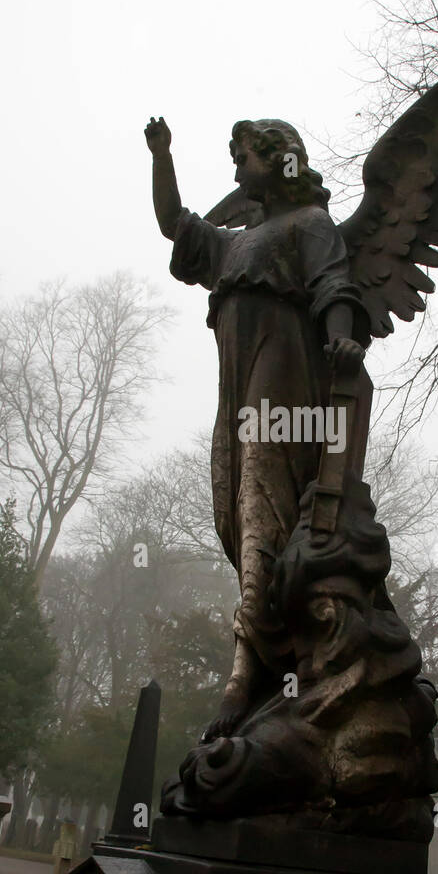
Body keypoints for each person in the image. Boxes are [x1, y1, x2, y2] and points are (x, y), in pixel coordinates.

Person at [145, 115, 372, 738]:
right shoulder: (234, 244)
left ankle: (243, 675)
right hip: (237, 386)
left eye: (244, 156)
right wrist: (162, 156)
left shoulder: (311, 224)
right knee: (235, 508)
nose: (237, 168)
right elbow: (173, 222)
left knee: (261, 504)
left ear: (279, 160)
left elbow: (334, 287)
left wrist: (341, 343)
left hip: (285, 378)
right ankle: (272, 655)